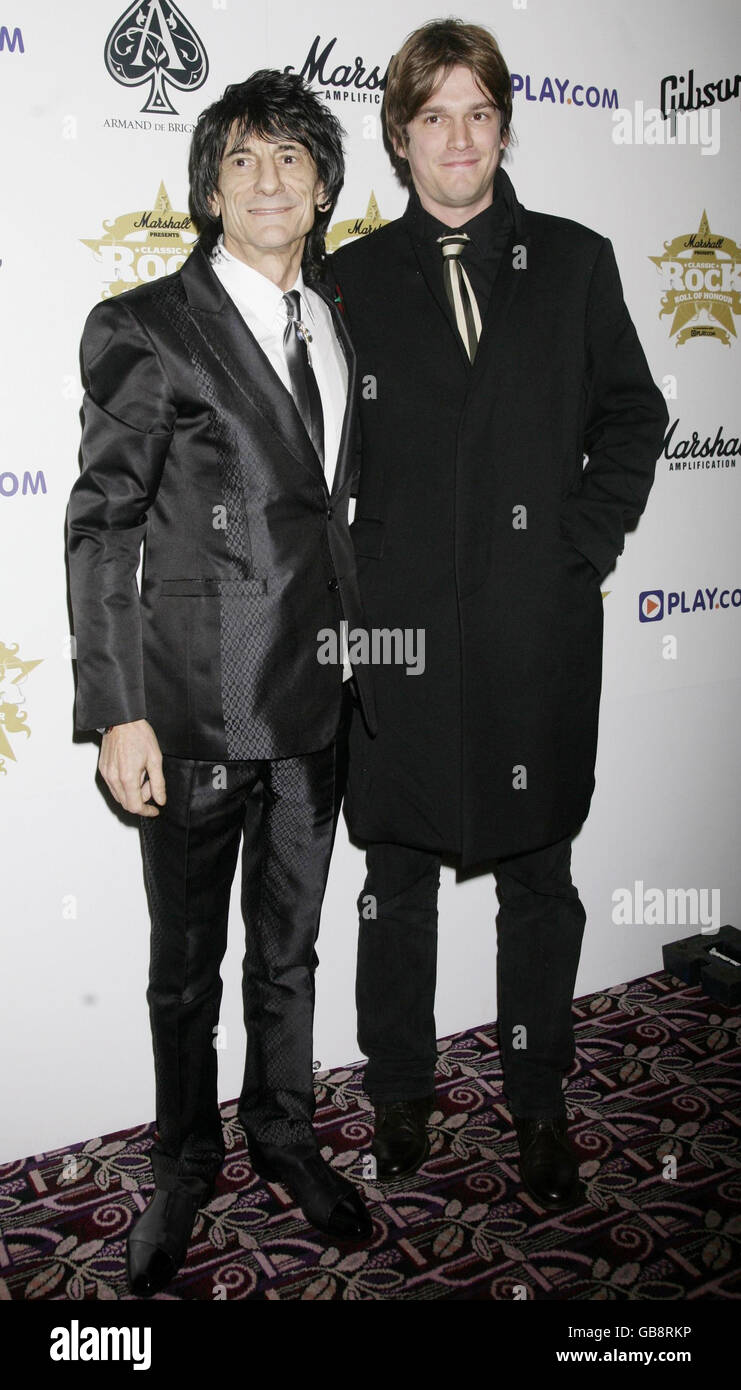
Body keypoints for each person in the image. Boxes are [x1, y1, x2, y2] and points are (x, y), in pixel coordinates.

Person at [331, 18, 669, 1207]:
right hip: (400, 644)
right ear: (400, 138)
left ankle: (538, 1103)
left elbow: (634, 415)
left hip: (535, 636)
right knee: (396, 886)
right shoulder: (348, 282)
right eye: (434, 116)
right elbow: (317, 466)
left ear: (506, 125)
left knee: (540, 884)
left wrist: (577, 550)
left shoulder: (576, 262)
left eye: (478, 111)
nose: (459, 137)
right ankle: (402, 1094)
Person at [67, 69, 377, 1298]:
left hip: (317, 707)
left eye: (290, 161)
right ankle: (184, 1165)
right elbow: (102, 525)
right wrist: (116, 708)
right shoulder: (149, 323)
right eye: (242, 159)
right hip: (190, 713)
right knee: (185, 965)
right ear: (209, 186)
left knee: (289, 954)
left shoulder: (343, 318)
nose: (267, 181)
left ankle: (285, 1135)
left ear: (320, 190)